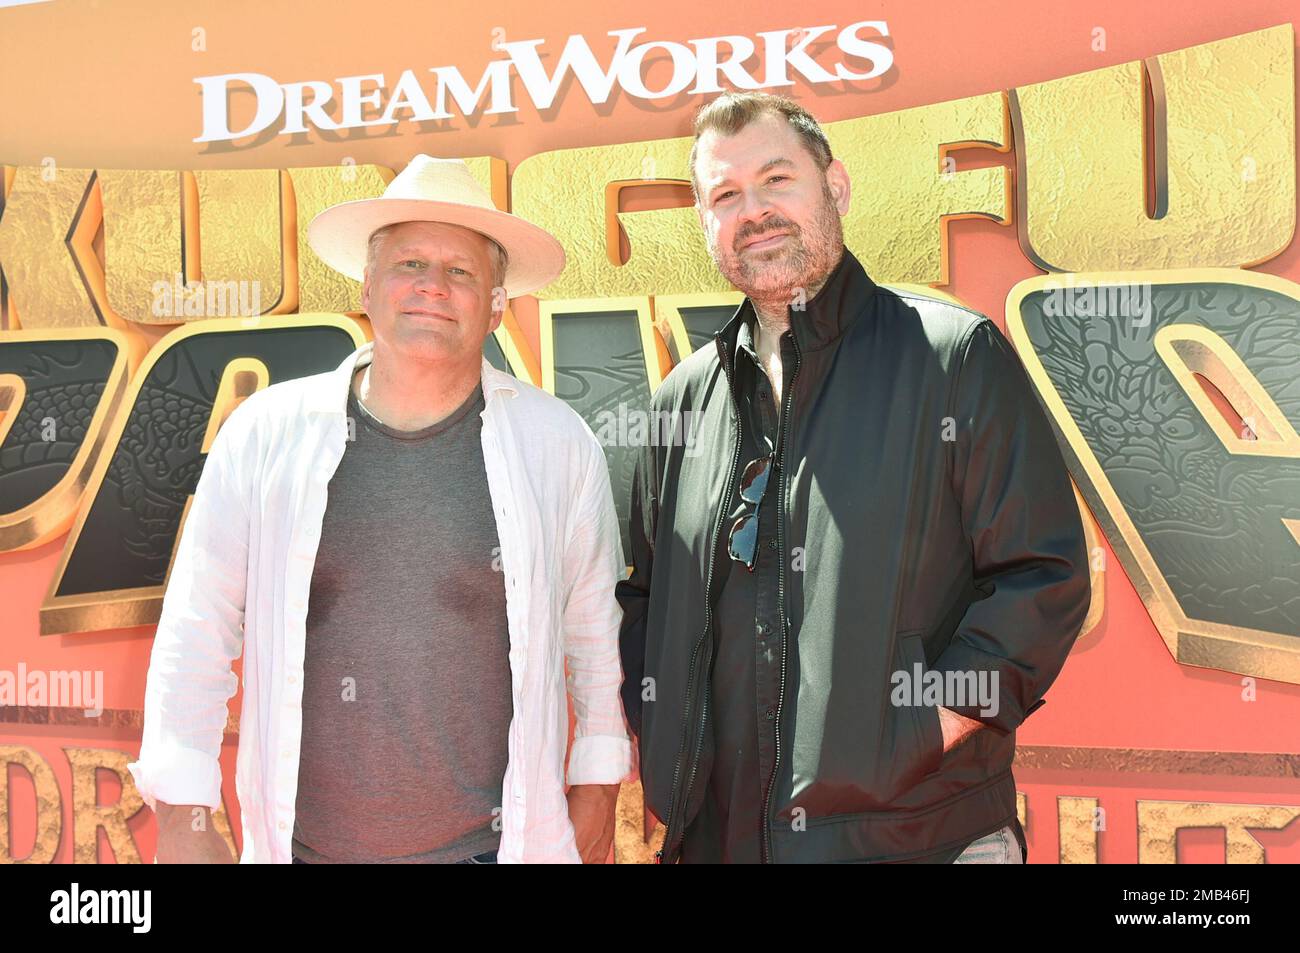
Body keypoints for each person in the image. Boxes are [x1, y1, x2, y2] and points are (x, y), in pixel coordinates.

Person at [617, 93, 1091, 863]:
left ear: (834, 187)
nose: (755, 211)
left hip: (919, 836)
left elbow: (1043, 576)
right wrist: (668, 734)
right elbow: (641, 599)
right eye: (727, 195)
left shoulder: (952, 358)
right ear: (704, 221)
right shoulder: (682, 400)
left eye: (777, 180)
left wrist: (918, 728)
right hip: (717, 842)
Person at [129, 155, 632, 863]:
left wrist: (599, 783)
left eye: (460, 271)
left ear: (494, 303)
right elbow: (197, 624)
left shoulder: (556, 444)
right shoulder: (267, 433)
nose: (432, 285)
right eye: (409, 263)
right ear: (367, 287)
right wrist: (184, 815)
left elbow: (593, 630)